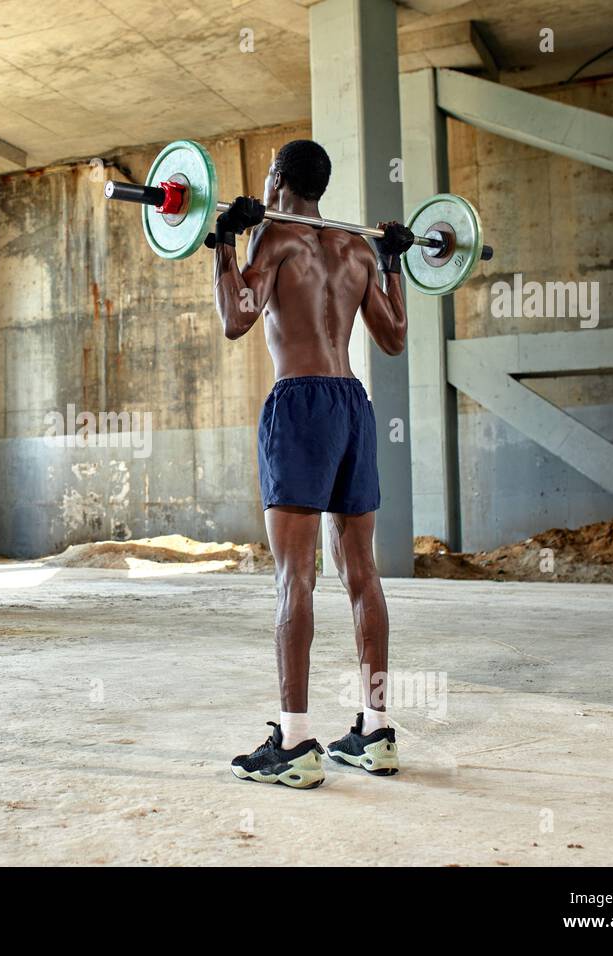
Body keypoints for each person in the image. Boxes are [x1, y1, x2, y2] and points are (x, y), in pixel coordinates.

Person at [213, 140, 411, 789]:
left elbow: (236, 320)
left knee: (294, 578)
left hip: (300, 403)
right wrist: (394, 263)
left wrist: (222, 243)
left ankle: (295, 744)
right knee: (363, 575)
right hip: (353, 403)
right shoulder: (356, 248)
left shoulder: (275, 241)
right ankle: (376, 730)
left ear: (277, 179)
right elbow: (394, 336)